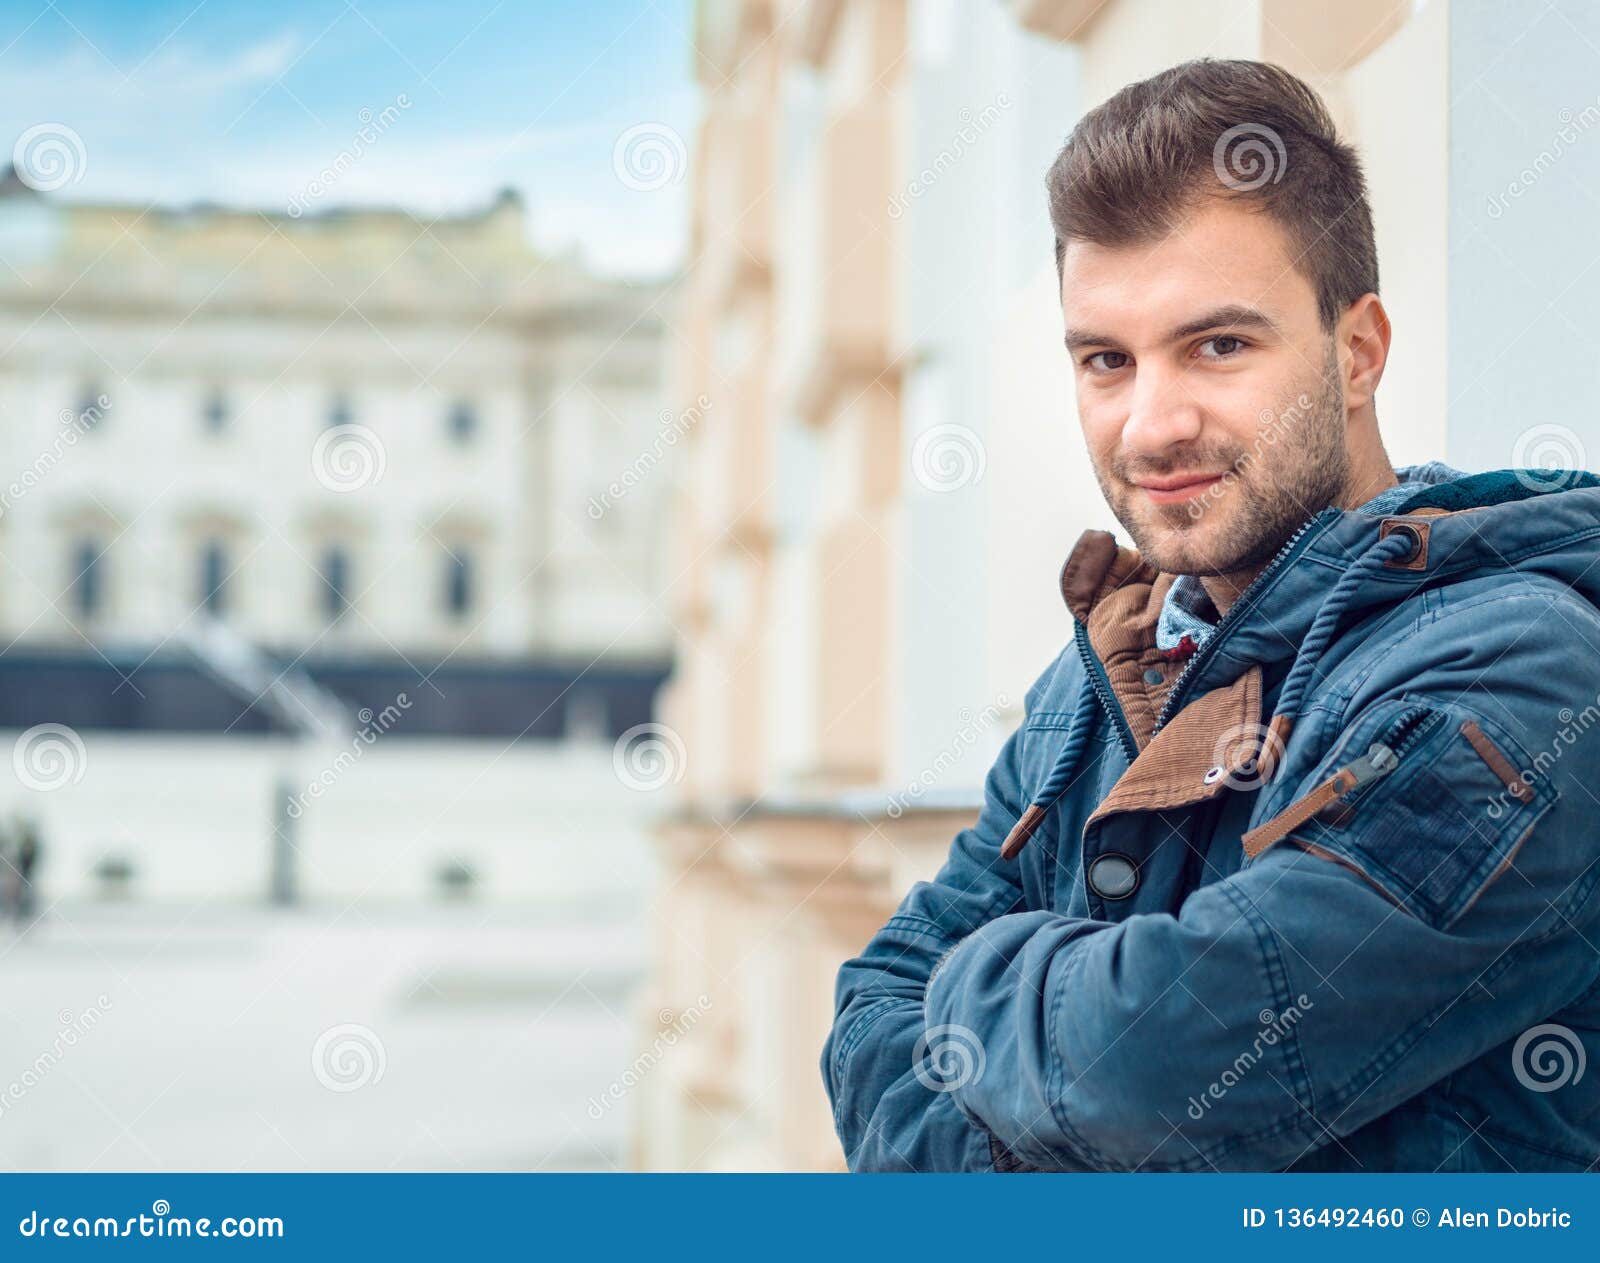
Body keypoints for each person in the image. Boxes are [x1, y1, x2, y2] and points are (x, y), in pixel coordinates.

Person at [822, 58, 1600, 1173]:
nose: (1151, 425)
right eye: (1105, 360)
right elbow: (871, 1014)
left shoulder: (1521, 674)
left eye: (1218, 345)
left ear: (1356, 352)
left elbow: (1145, 1075)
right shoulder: (1099, 676)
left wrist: (975, 985)